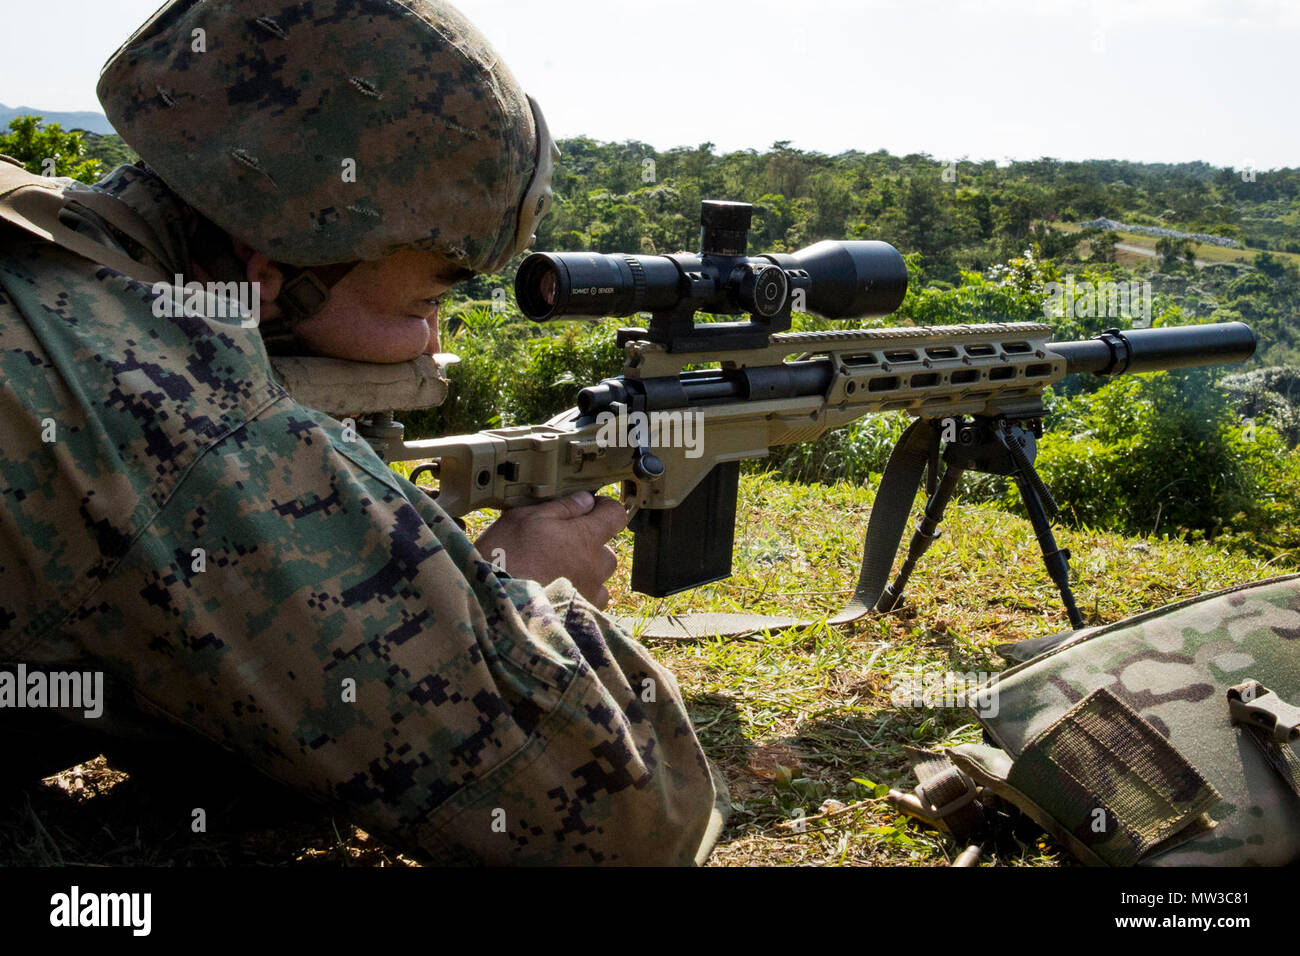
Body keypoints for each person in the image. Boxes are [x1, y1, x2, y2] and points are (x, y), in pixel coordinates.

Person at [0, 0, 725, 865]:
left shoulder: (50, 252)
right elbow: (631, 817)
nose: (436, 342)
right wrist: (510, 590)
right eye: (426, 301)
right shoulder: (173, 410)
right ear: (282, 263)